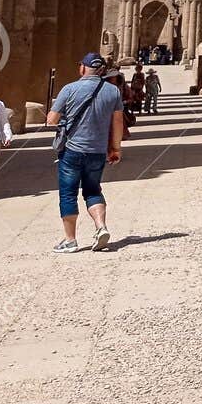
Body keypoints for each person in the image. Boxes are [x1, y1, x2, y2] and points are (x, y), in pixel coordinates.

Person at [46, 52, 124, 254]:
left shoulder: (69, 89)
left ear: (82, 68)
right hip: (97, 151)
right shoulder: (113, 92)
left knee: (68, 193)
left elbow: (51, 119)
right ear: (101, 70)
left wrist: (63, 119)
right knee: (93, 190)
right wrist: (115, 149)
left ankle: (70, 240)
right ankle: (101, 228)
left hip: (72, 150)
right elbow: (117, 123)